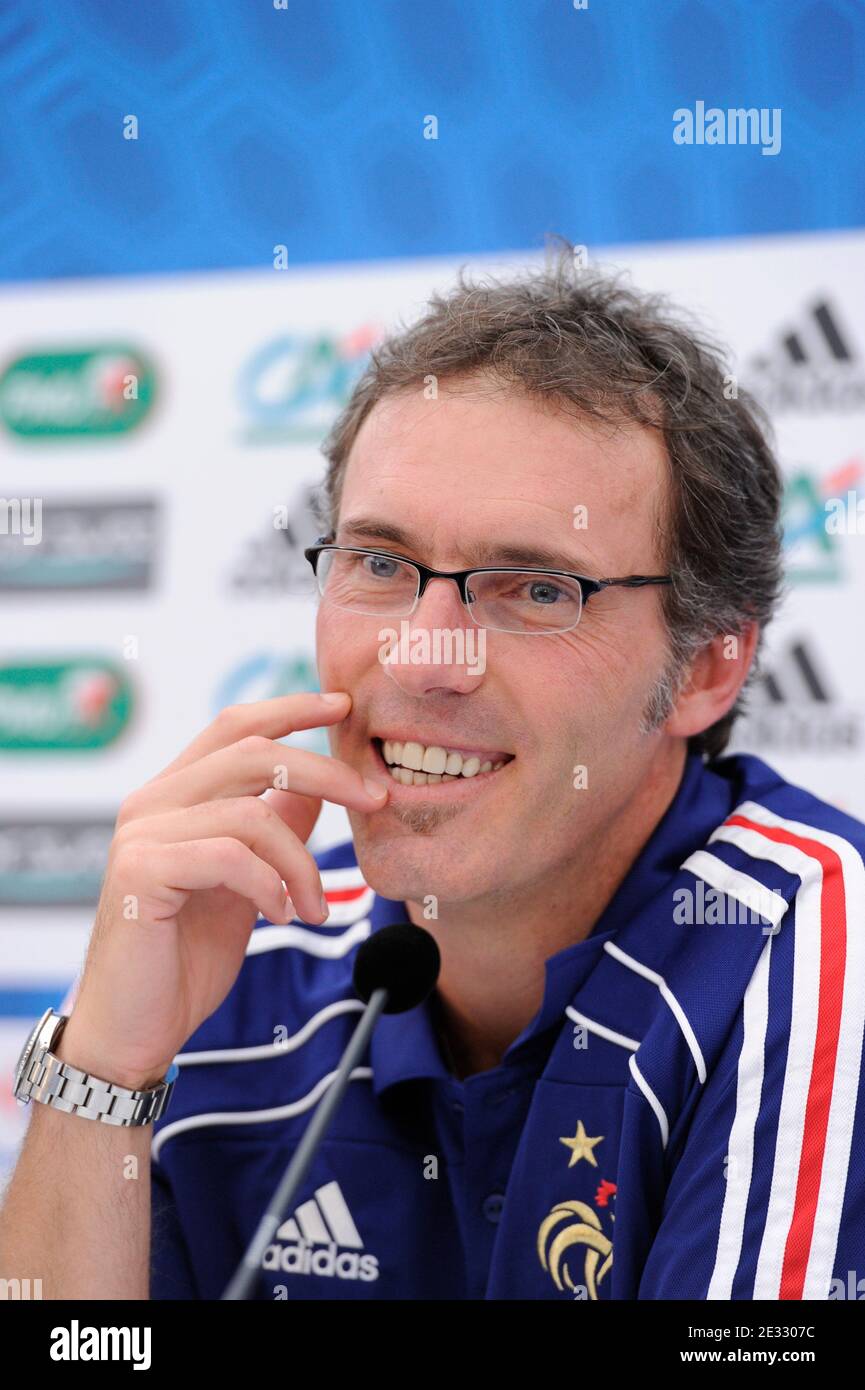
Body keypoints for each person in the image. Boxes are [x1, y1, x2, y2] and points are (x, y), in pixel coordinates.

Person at [3, 243, 864, 1301]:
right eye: (379, 564)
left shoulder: (810, 948)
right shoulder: (239, 956)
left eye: (535, 589)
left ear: (707, 665)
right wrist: (107, 1070)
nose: (422, 655)